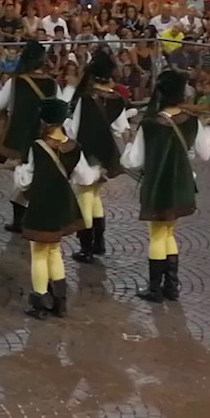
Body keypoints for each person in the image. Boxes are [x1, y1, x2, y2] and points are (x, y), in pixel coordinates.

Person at [121, 69, 210, 302]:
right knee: (170, 231)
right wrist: (207, 130)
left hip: (157, 184)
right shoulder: (192, 121)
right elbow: (205, 153)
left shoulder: (150, 123)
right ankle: (171, 286)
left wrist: (128, 144)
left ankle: (154, 288)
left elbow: (134, 160)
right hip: (181, 183)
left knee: (157, 235)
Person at [13, 98, 101, 318]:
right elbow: (85, 177)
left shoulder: (37, 146)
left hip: (41, 204)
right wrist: (98, 171)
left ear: (44, 119)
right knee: (55, 251)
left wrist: (18, 172)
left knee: (39, 254)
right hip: (63, 203)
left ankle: (39, 303)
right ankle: (60, 303)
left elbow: (25, 182)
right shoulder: (74, 147)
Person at [63, 49, 134, 262]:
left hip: (86, 153)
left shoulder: (86, 97)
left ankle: (87, 247)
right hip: (108, 154)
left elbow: (73, 129)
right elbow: (122, 128)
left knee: (85, 195)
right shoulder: (116, 98)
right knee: (95, 196)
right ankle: (99, 241)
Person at [0, 41, 59, 232]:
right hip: (47, 137)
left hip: (20, 136)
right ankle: (37, 216)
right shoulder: (52, 83)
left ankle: (21, 220)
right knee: (40, 174)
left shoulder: (16, 81)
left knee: (22, 176)